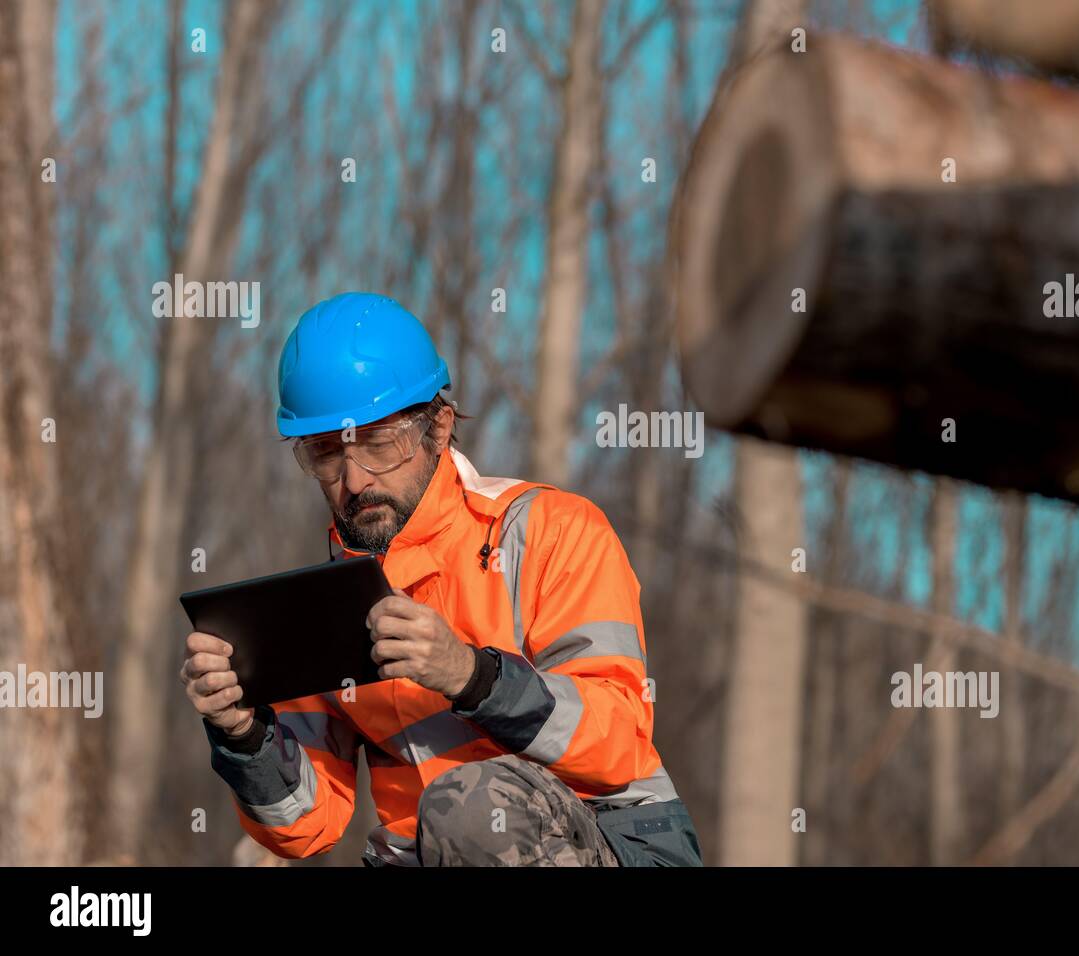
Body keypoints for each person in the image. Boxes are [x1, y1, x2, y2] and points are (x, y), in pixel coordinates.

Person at [180, 292, 702, 866]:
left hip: (618, 839)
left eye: (376, 443)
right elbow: (308, 827)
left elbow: (621, 740)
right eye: (326, 453)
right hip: (424, 857)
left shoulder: (549, 531)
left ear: (438, 427)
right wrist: (243, 735)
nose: (353, 480)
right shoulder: (326, 601)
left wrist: (474, 676)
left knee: (469, 808)